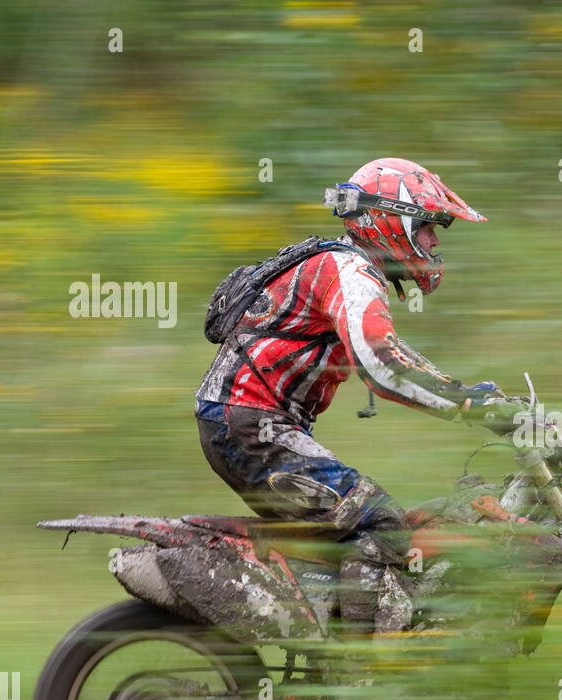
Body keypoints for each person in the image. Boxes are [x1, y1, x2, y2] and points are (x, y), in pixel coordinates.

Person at [194, 157, 519, 637]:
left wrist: (469, 394)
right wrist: (471, 408)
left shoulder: (345, 266)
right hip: (247, 428)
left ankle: (335, 638)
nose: (433, 241)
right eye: (428, 227)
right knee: (379, 520)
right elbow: (383, 369)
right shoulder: (349, 272)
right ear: (391, 221)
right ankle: (363, 673)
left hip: (243, 425)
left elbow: (393, 354)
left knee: (347, 529)